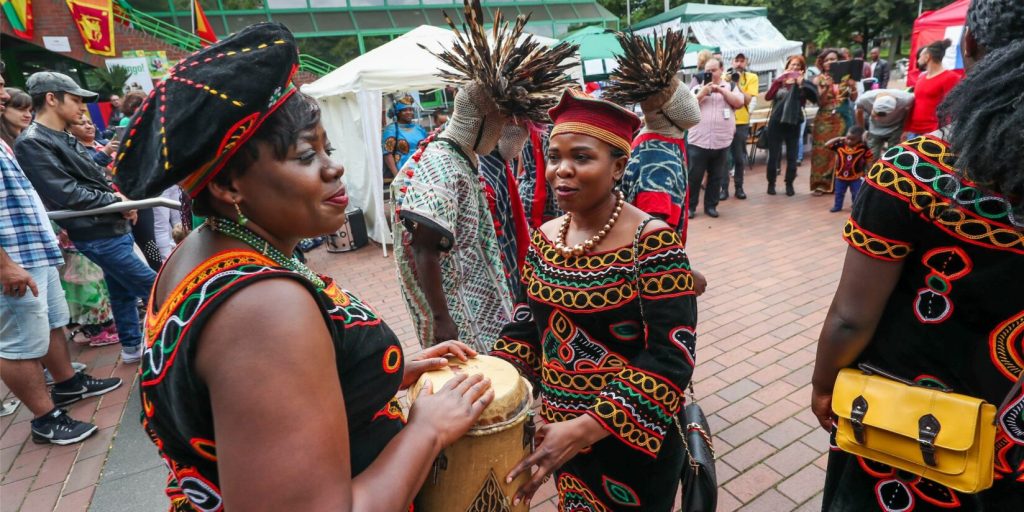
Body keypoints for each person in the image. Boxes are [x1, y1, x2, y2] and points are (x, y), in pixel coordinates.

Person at [113, 23, 494, 510]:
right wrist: (427, 430)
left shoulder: (202, 251)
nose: (332, 168)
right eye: (306, 154)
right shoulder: (263, 308)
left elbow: (252, 404)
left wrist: (377, 375)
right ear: (229, 186)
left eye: (328, 149)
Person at [812, 0, 1024, 508]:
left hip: (907, 434)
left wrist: (824, 386)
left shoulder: (915, 171)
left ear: (968, 49)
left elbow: (850, 317)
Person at [492, 89, 698, 510]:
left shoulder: (653, 243)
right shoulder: (545, 239)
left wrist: (588, 427)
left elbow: (671, 356)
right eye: (554, 157)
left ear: (619, 166)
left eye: (582, 158)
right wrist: (490, 386)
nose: (561, 171)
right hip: (559, 436)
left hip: (633, 442)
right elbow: (526, 328)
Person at [391, 13, 575, 353]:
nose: (505, 130)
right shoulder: (442, 164)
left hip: (479, 299)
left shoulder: (460, 156)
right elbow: (422, 247)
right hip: (460, 312)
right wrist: (443, 319)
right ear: (480, 120)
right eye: (501, 120)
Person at [0, 70, 122, 446]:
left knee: (52, 321)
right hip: (13, 257)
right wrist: (4, 264)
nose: (3, 93)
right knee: (19, 343)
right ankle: (44, 418)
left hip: (31, 247)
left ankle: (67, 383)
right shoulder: (31, 139)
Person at [14, 71, 156, 364]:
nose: (82, 107)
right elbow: (67, 193)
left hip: (108, 225)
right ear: (52, 99)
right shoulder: (33, 141)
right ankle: (188, 342)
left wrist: (117, 202)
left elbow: (89, 179)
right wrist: (115, 201)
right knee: (155, 287)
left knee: (122, 293)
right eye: (76, 100)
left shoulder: (58, 135)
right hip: (96, 231)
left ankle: (132, 348)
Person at [621, 78, 699, 235]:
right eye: (684, 98)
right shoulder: (658, 157)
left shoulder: (656, 139)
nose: (693, 102)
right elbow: (654, 234)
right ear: (667, 110)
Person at [476, 124, 532, 297]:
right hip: (484, 261)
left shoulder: (494, 153)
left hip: (505, 245)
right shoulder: (472, 155)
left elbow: (510, 151)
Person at [687, 57, 743, 218]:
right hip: (699, 141)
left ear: (721, 70)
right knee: (694, 177)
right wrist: (702, 93)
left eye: (713, 70)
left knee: (716, 176)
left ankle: (711, 206)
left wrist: (721, 90)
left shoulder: (730, 86)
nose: (710, 73)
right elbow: (687, 107)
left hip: (721, 141)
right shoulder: (697, 88)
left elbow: (739, 103)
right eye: (707, 71)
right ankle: (690, 207)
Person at [764, 55, 818, 196]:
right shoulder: (780, 80)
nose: (794, 68)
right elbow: (768, 97)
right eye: (792, 65)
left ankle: (789, 184)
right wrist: (779, 80)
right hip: (777, 122)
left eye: (798, 66)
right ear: (787, 66)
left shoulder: (803, 83)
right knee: (773, 155)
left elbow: (812, 99)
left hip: (793, 122)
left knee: (792, 156)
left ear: (802, 69)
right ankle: (771, 183)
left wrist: (801, 85)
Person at [811, 48, 858, 195]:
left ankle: (839, 183)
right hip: (824, 119)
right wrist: (826, 87)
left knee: (842, 150)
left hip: (843, 119)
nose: (830, 62)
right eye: (827, 60)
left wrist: (852, 87)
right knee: (823, 151)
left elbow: (854, 98)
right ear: (822, 63)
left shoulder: (846, 78)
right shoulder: (818, 79)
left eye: (833, 59)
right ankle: (820, 185)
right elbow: (819, 101)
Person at [904, 39, 961, 139]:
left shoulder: (951, 77)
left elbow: (951, 107)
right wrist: (906, 129)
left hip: (933, 133)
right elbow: (915, 104)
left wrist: (941, 133)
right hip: (914, 131)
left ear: (927, 56)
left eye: (920, 55)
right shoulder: (921, 78)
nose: (917, 59)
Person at [723, 53, 758, 200]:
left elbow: (748, 100)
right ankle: (723, 189)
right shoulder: (725, 76)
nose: (739, 63)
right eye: (736, 60)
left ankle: (739, 187)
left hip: (741, 122)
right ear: (732, 62)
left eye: (742, 61)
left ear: (746, 63)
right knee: (724, 158)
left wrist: (737, 85)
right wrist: (729, 80)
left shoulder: (752, 77)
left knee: (738, 157)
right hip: (724, 121)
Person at [854, 89, 913, 163]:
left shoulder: (907, 99)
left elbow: (911, 111)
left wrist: (906, 130)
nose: (878, 118)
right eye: (876, 114)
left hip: (896, 128)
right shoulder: (864, 99)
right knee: (871, 156)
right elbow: (858, 111)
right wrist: (862, 130)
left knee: (894, 156)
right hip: (874, 128)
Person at [823, 126, 871, 213]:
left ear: (859, 139)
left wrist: (869, 172)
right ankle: (837, 206)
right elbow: (826, 144)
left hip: (856, 177)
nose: (849, 141)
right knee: (839, 193)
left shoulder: (863, 148)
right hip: (840, 177)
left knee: (856, 193)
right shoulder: (840, 145)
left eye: (853, 139)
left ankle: (855, 206)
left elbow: (869, 160)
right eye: (848, 138)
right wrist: (839, 138)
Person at [382, 95, 428, 179]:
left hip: (423, 171)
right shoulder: (391, 130)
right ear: (398, 113)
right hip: (403, 173)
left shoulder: (419, 128)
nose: (409, 112)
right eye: (404, 110)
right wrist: (396, 175)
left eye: (410, 109)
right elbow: (387, 155)